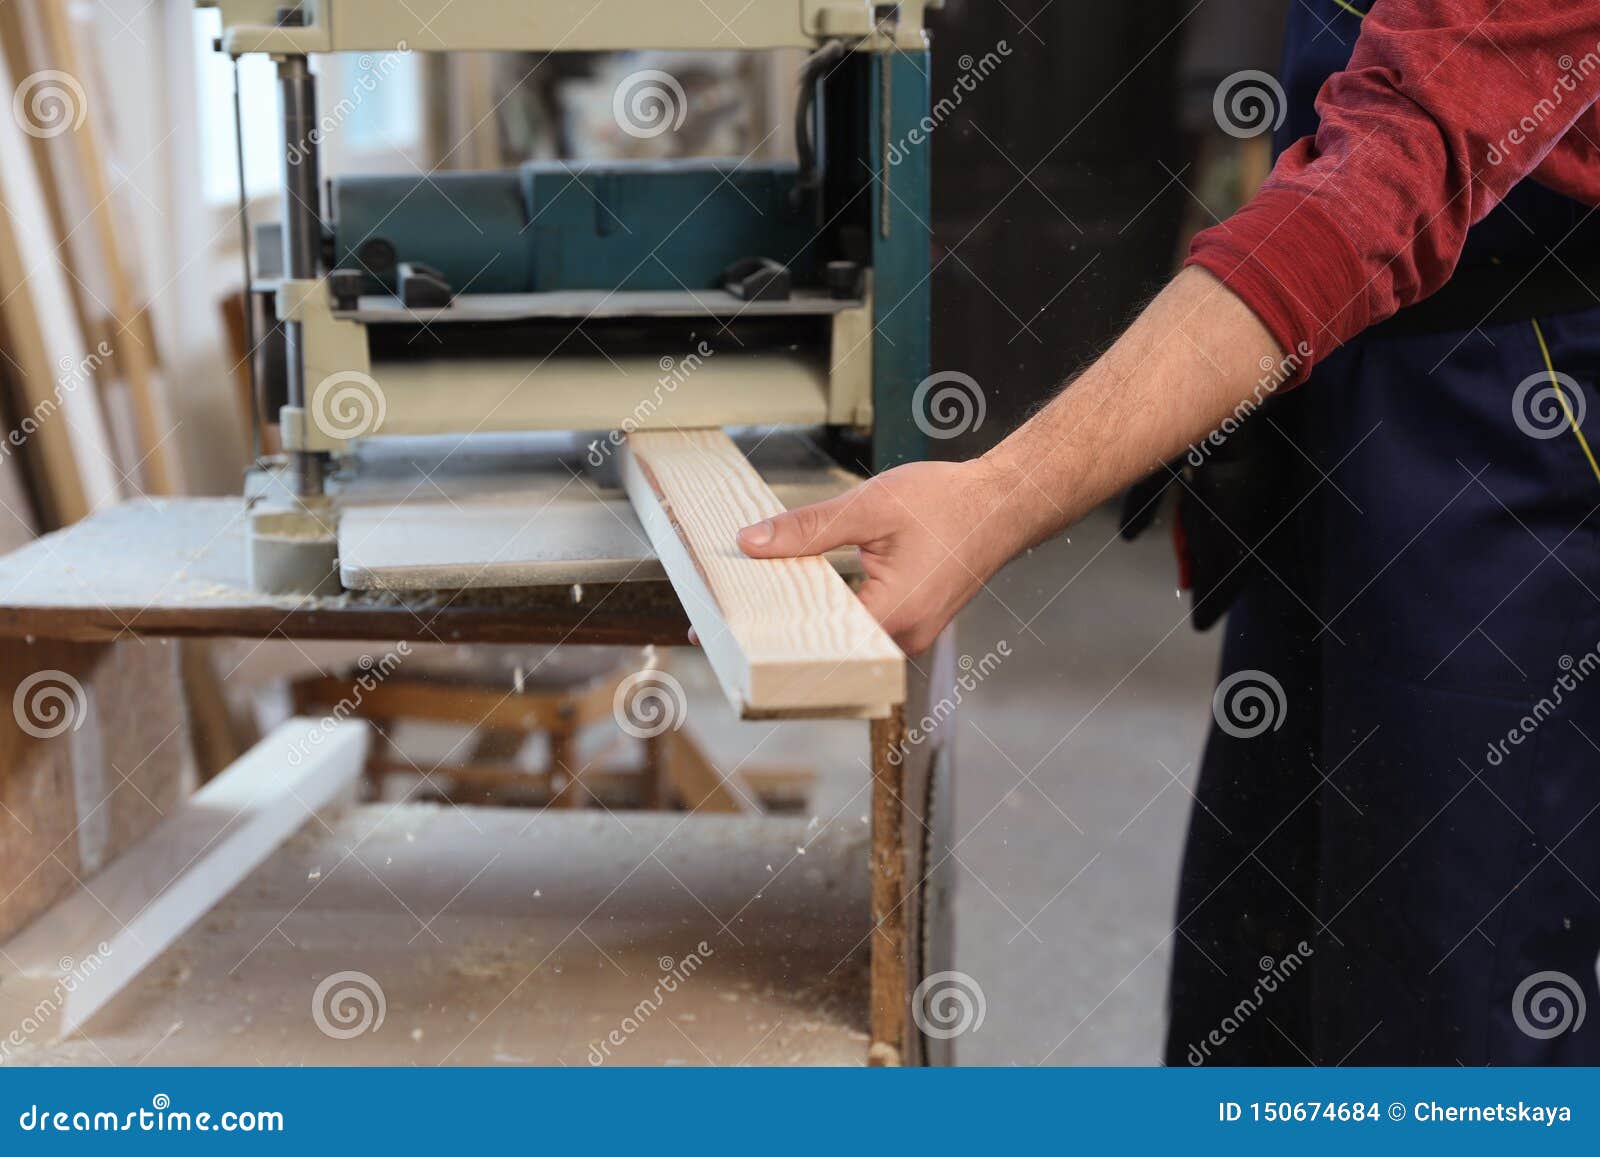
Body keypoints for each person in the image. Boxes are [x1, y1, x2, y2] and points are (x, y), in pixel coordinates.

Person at [737, 1, 1600, 1064]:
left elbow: (1381, 182)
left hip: (1516, 425)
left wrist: (996, 497)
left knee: (1451, 996)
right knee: (1257, 984)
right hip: (1352, 394)